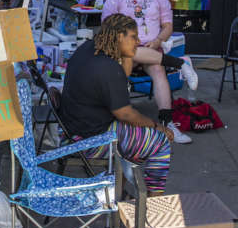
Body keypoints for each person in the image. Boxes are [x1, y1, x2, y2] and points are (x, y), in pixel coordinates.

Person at [61, 14, 174, 193]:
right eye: (134, 37)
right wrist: (156, 126)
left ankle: (119, 189)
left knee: (139, 136)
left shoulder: (90, 48)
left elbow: (123, 78)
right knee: (160, 142)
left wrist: (127, 54)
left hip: (74, 126)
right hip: (89, 140)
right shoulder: (107, 68)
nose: (138, 41)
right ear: (119, 37)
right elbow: (125, 114)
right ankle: (152, 201)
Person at [101, 0, 200, 144]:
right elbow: (108, 28)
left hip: (153, 49)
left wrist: (158, 40)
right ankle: (180, 63)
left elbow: (168, 26)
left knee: (158, 70)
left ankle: (167, 122)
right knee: (129, 56)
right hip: (124, 51)